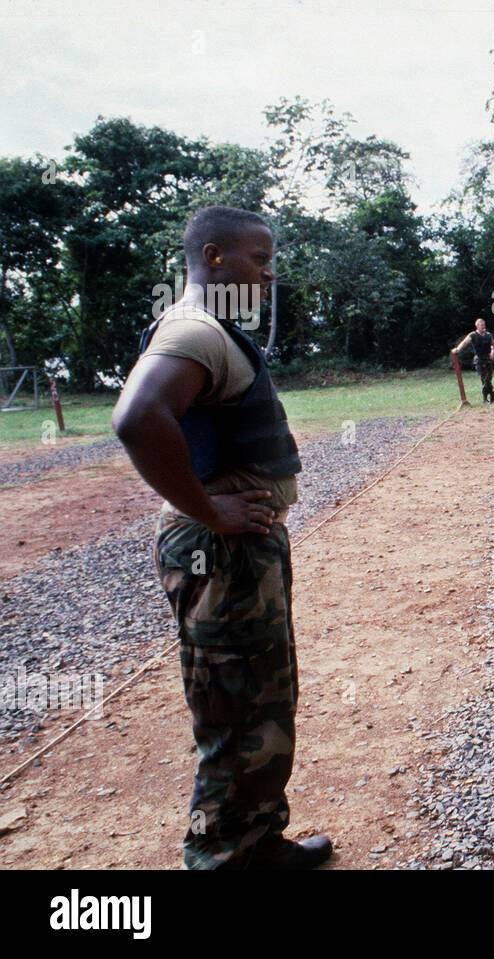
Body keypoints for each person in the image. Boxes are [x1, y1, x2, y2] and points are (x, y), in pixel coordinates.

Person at [112, 206, 332, 869]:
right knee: (236, 710)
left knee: (261, 701)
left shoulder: (213, 332)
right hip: (222, 552)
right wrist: (211, 510)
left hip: (241, 553)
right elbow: (137, 416)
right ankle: (220, 855)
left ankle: (254, 840)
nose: (269, 275)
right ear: (213, 257)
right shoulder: (195, 330)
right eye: (258, 260)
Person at [452, 318, 494, 403]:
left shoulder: (488, 335)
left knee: (489, 378)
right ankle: (485, 398)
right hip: (479, 360)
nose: (483, 326)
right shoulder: (473, 335)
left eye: (484, 325)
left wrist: (493, 353)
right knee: (484, 378)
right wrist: (458, 349)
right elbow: (464, 343)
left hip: (488, 359)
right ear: (477, 326)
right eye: (481, 325)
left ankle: (491, 394)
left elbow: (493, 344)